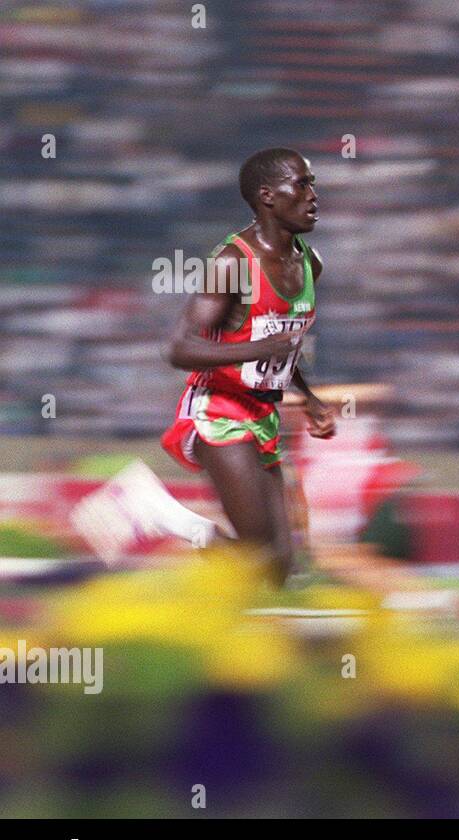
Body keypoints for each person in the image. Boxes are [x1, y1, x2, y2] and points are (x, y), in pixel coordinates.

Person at [87, 147, 336, 585]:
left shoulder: (310, 263)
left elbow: (283, 343)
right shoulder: (233, 262)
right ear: (268, 197)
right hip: (217, 411)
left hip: (263, 415)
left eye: (312, 183)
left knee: (279, 571)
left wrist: (309, 398)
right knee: (256, 561)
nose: (313, 195)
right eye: (301, 184)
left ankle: (189, 550)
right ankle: (154, 509)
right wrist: (258, 349)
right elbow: (179, 348)